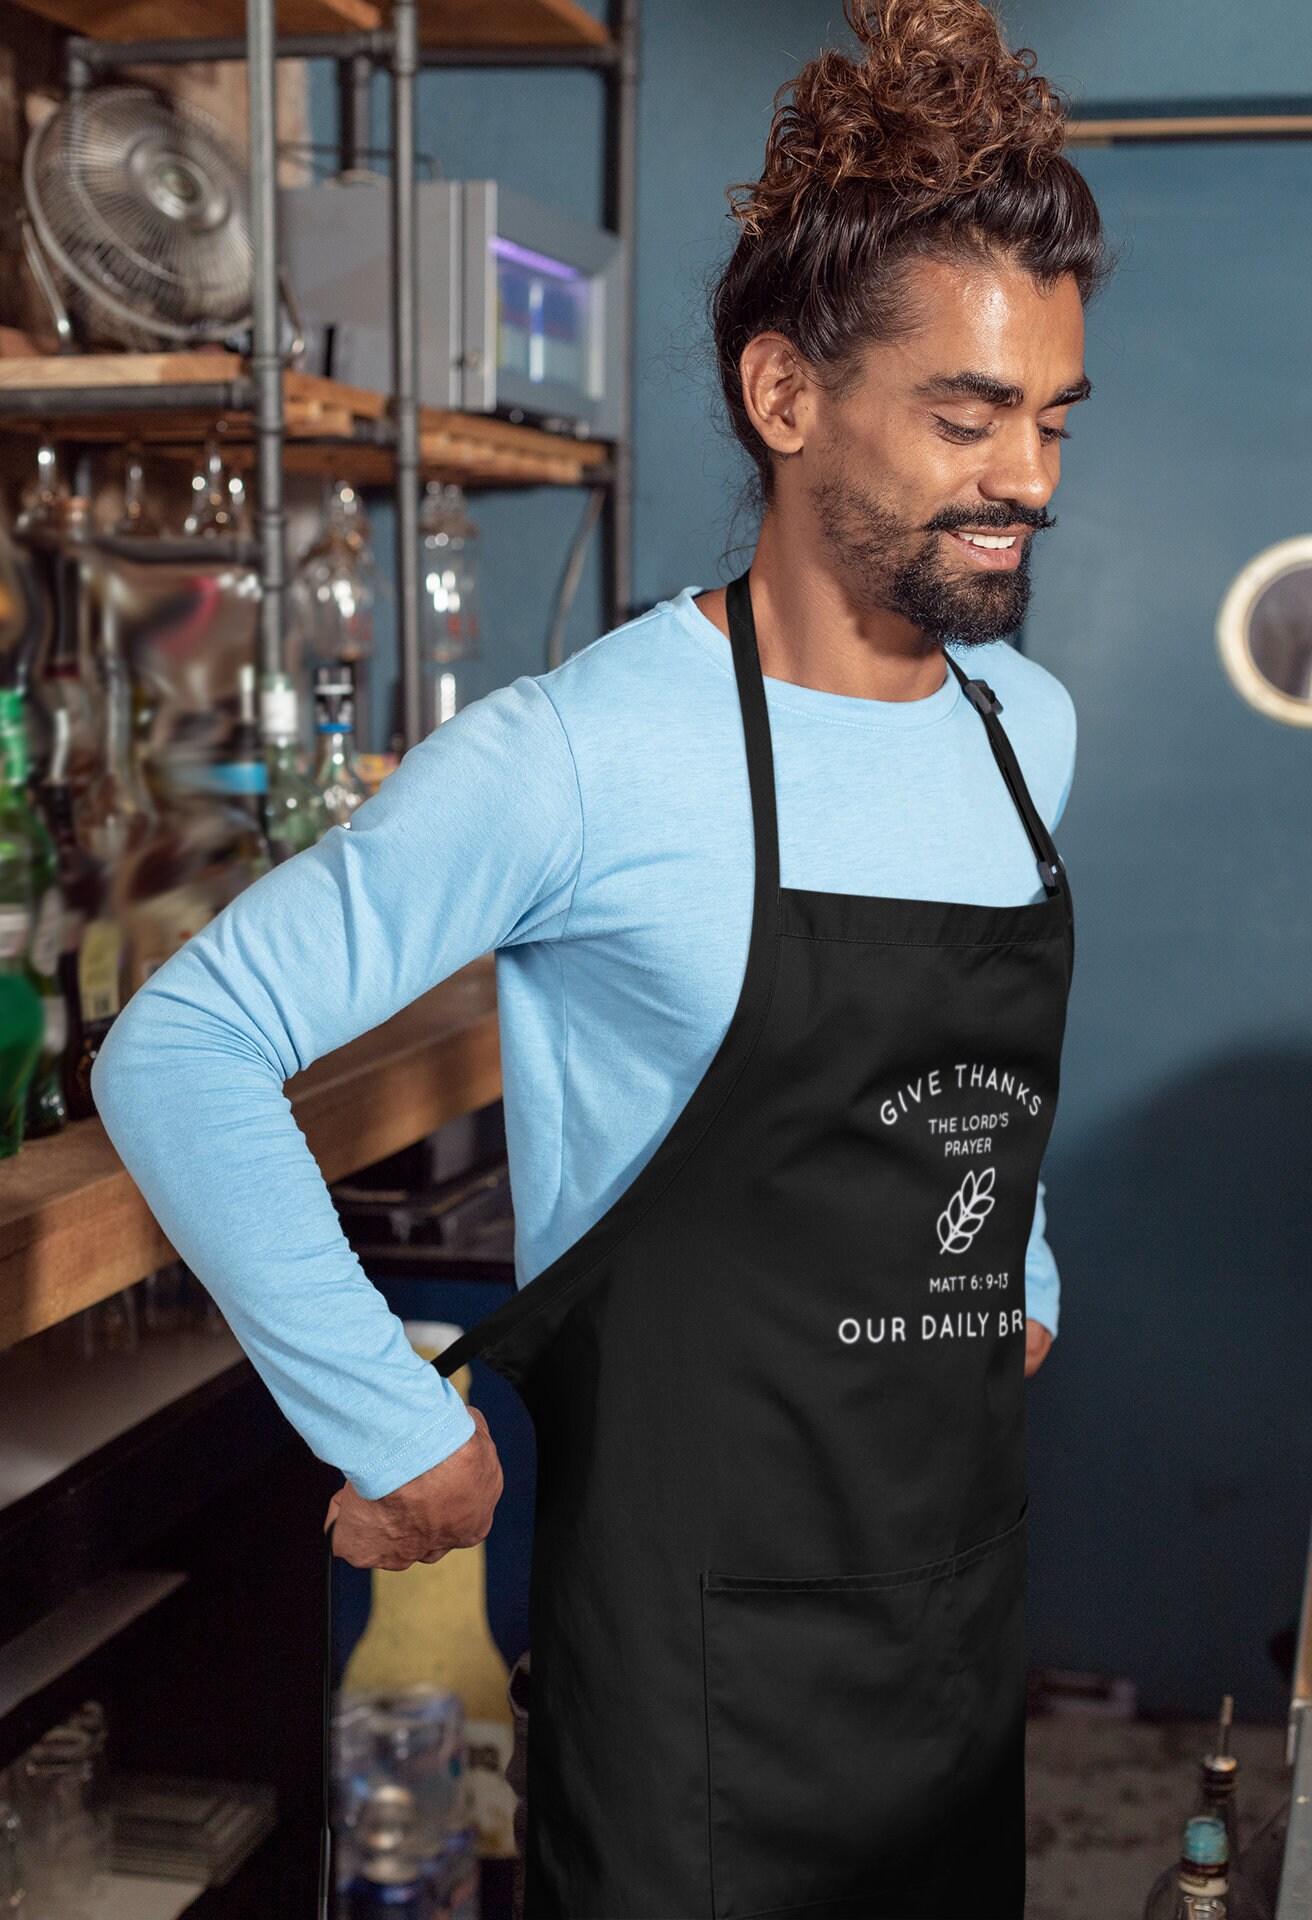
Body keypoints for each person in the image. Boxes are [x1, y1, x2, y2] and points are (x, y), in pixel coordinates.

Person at [92, 1, 1116, 1912]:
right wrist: (388, 1419)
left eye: (1052, 419)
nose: (1029, 477)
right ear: (785, 393)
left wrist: (1021, 1261)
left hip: (949, 1623)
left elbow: (970, 1083)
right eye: (966, 416)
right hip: (687, 1693)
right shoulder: (587, 756)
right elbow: (184, 1042)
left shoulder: (1022, 730)